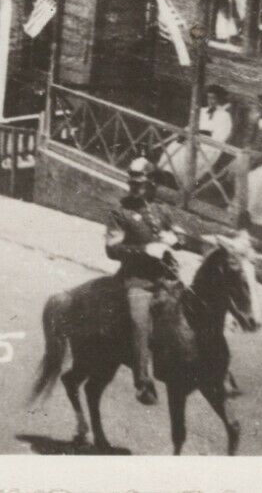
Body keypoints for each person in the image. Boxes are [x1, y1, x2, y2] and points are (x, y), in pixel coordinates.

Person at [106, 156, 184, 405]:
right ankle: (143, 382)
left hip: (166, 278)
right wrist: (145, 250)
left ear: (152, 184)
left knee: (200, 310)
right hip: (137, 279)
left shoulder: (162, 210)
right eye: (133, 183)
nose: (135, 188)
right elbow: (112, 249)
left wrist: (177, 240)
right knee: (140, 322)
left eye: (141, 184)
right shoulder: (120, 211)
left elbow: (177, 238)